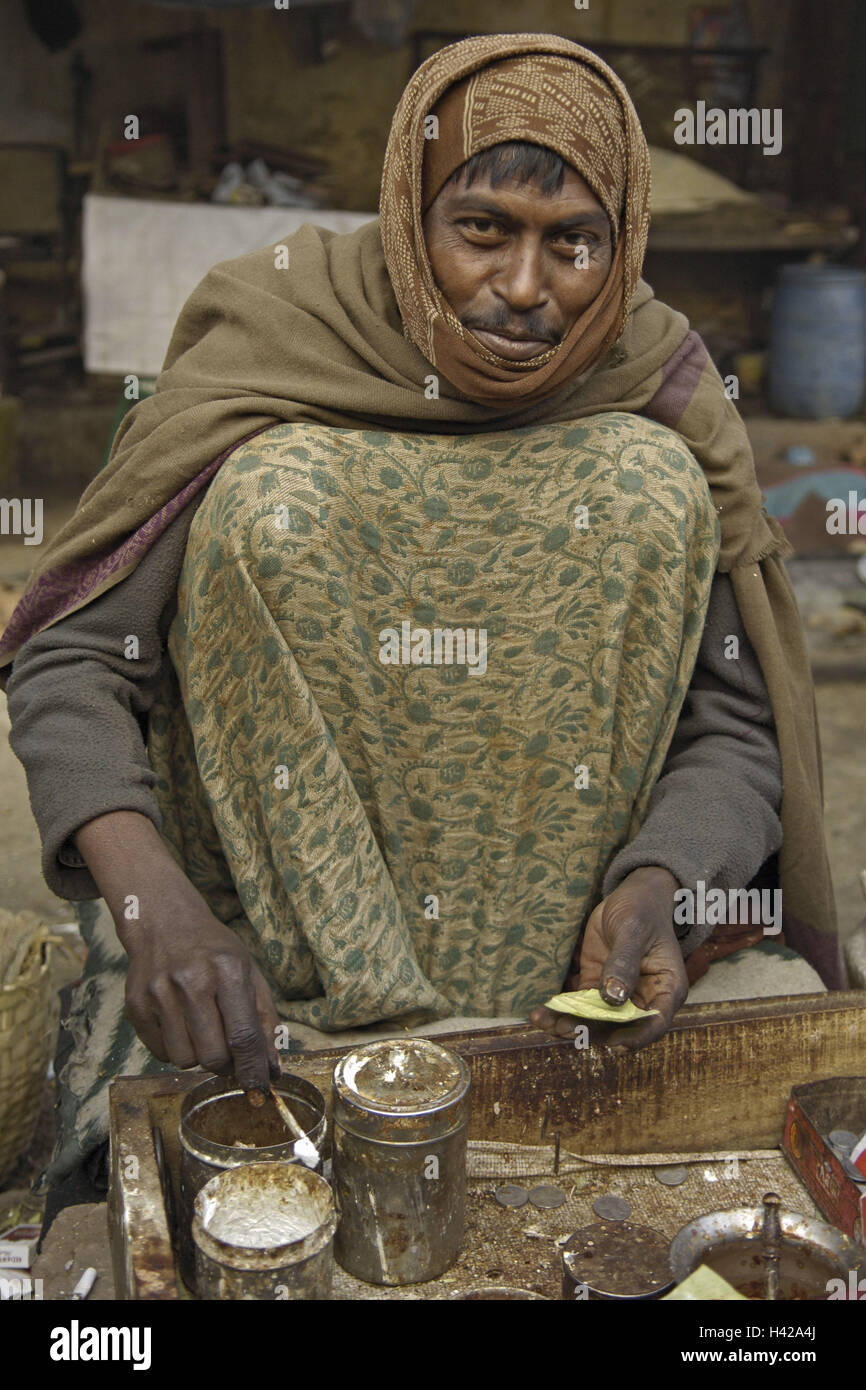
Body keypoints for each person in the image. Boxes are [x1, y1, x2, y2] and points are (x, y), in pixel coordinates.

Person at [1, 34, 840, 1195]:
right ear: (408, 211)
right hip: (269, 967)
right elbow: (76, 652)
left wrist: (662, 879)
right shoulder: (275, 335)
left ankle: (495, 1025)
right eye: (481, 227)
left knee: (644, 488)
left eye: (573, 243)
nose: (523, 288)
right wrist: (156, 908)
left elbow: (735, 727)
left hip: (559, 977)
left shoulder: (658, 389)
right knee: (274, 495)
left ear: (622, 241)